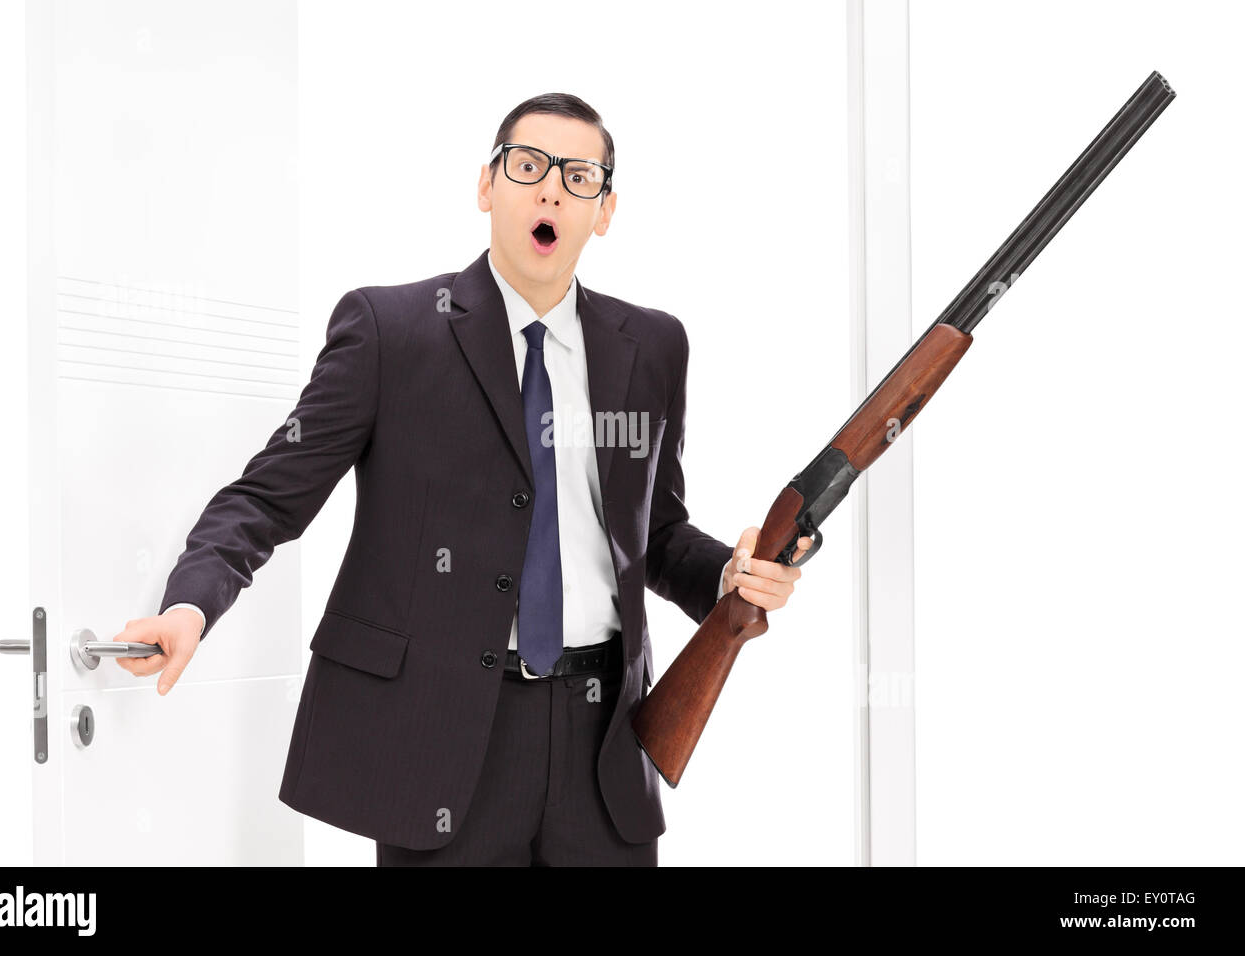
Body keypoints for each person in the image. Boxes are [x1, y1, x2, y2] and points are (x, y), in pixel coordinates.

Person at [114, 92, 812, 866]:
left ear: (604, 211)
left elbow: (655, 532)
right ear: (487, 188)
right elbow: (267, 496)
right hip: (444, 743)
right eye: (528, 166)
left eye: (579, 177)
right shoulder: (391, 333)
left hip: (602, 746)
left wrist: (731, 576)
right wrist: (190, 603)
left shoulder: (651, 344)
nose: (551, 189)